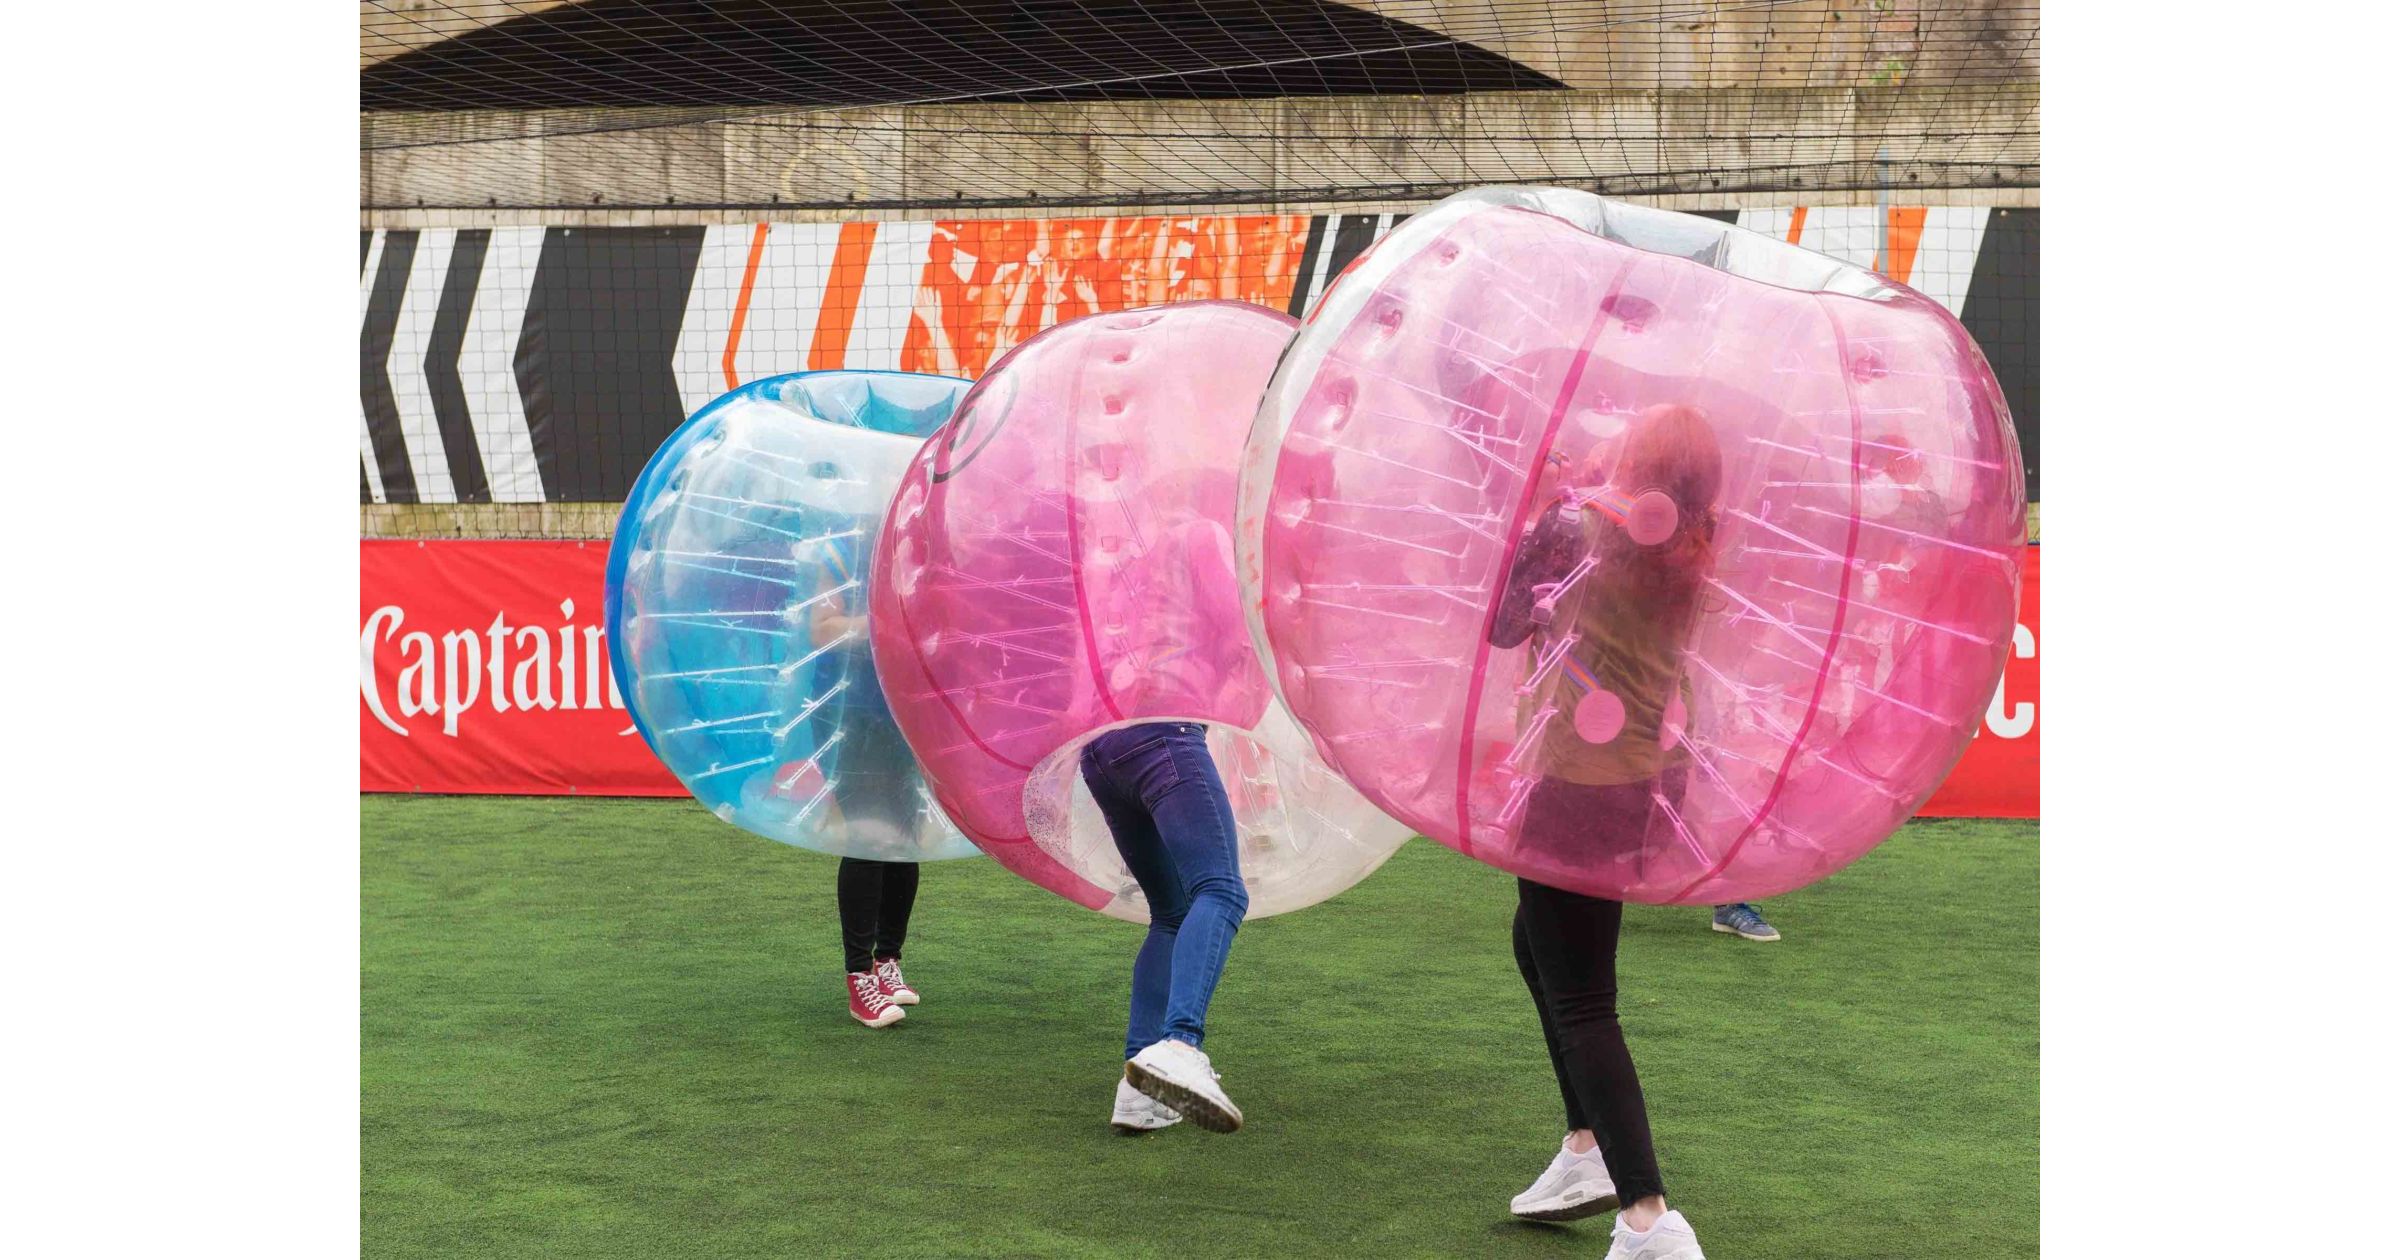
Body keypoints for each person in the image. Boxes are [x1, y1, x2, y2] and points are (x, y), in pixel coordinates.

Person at [1488, 403, 1721, 1259]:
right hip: (1638, 784)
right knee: (1536, 947)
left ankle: (1648, 1216)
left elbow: (1504, 623)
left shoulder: (1573, 525)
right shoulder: (1694, 542)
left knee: (1584, 996)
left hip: (1570, 784)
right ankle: (1584, 1147)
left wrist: (1542, 519)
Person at [1082, 721, 1251, 1135]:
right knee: (1221, 889)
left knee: (1171, 913)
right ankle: (1180, 1043)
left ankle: (1139, 1092)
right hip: (1163, 740)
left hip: (1100, 754)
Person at [806, 525, 924, 1029]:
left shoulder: (919, 548)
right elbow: (821, 626)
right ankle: (859, 978)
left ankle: (887, 959)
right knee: (866, 832)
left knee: (905, 834)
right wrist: (880, 621)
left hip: (907, 708)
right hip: (850, 711)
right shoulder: (841, 548)